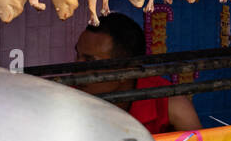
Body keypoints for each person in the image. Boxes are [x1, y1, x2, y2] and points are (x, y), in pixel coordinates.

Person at [72, 12, 202, 133]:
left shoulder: (170, 104)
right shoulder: (66, 97)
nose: (76, 69)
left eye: (90, 61)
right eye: (78, 55)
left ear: (128, 71)